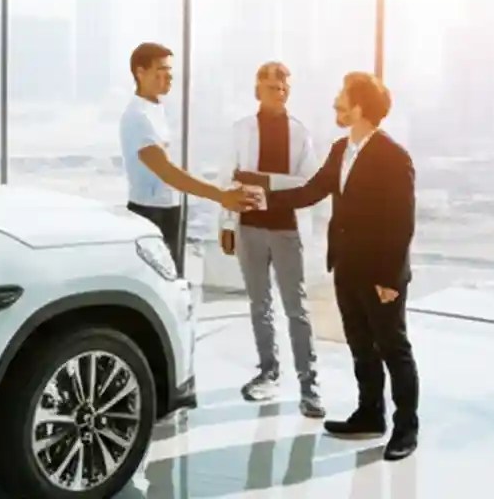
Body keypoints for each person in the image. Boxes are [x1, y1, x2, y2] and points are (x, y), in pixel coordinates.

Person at [247, 71, 419, 461]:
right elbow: (312, 190)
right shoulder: (342, 148)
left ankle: (406, 427)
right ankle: (369, 415)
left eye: (342, 97)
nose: (335, 103)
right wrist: (262, 198)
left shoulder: (394, 156)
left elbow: (402, 222)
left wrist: (390, 279)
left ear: (359, 106)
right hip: (347, 266)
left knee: (394, 347)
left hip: (380, 275)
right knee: (360, 345)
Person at [220, 62, 324, 418]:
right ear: (257, 90)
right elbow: (227, 179)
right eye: (271, 87)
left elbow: (310, 185)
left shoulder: (301, 133)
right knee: (259, 304)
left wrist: (260, 180)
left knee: (297, 308)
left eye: (283, 88)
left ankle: (310, 386)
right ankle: (268, 372)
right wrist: (226, 225)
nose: (278, 93)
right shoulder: (240, 130)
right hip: (248, 226)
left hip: (286, 228)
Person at [120, 42, 260, 275]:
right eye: (160, 71)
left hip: (168, 209)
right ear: (140, 72)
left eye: (170, 72)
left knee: (171, 278)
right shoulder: (138, 116)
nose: (168, 78)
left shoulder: (156, 109)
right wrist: (220, 196)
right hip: (150, 213)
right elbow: (166, 171)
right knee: (159, 280)